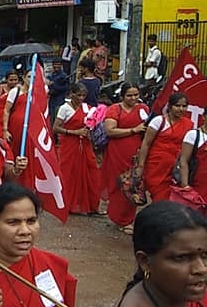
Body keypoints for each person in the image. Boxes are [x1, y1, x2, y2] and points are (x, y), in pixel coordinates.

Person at [102, 83, 150, 233]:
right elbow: (110, 131)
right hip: (117, 152)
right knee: (118, 183)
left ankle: (128, 219)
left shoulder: (143, 109)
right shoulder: (114, 109)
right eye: (129, 95)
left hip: (136, 152)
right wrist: (132, 130)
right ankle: (118, 217)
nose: (133, 98)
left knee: (134, 184)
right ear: (122, 96)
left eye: (136, 95)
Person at [53, 83, 102, 215]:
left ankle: (90, 204)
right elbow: (56, 127)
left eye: (83, 95)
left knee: (90, 172)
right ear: (71, 94)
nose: (81, 98)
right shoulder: (64, 108)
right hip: (69, 145)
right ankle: (69, 204)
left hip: (85, 144)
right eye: (78, 95)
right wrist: (73, 132)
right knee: (69, 173)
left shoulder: (87, 108)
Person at [138, 93, 194, 203]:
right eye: (177, 106)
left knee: (169, 200)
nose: (181, 109)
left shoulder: (189, 125)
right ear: (169, 106)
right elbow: (146, 144)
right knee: (158, 197)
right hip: (156, 166)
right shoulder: (159, 121)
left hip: (175, 169)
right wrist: (141, 166)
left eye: (184, 106)